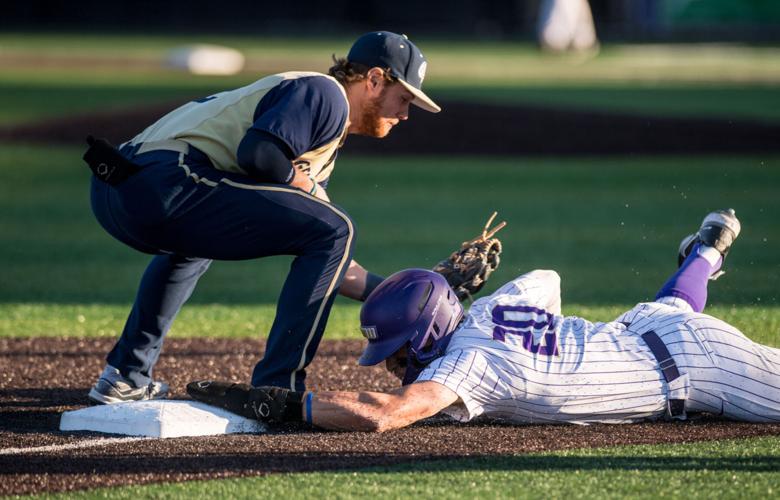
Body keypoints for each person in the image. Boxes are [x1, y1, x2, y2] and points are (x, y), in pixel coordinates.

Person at [87, 31, 441, 404]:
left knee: (200, 248)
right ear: (374, 80)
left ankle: (124, 375)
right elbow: (258, 154)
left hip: (122, 189)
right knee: (338, 228)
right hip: (162, 179)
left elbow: (333, 261)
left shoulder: (323, 142)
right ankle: (278, 386)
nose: (405, 114)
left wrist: (413, 296)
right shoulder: (325, 94)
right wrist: (304, 185)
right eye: (404, 98)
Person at [189, 208, 780, 431]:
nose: (392, 363)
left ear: (428, 334)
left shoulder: (471, 364)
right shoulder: (492, 308)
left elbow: (384, 412)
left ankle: (705, 255)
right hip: (641, 330)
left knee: (680, 317)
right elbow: (547, 278)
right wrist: (450, 292)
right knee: (673, 307)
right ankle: (706, 252)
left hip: (702, 368)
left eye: (398, 349)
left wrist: (286, 406)